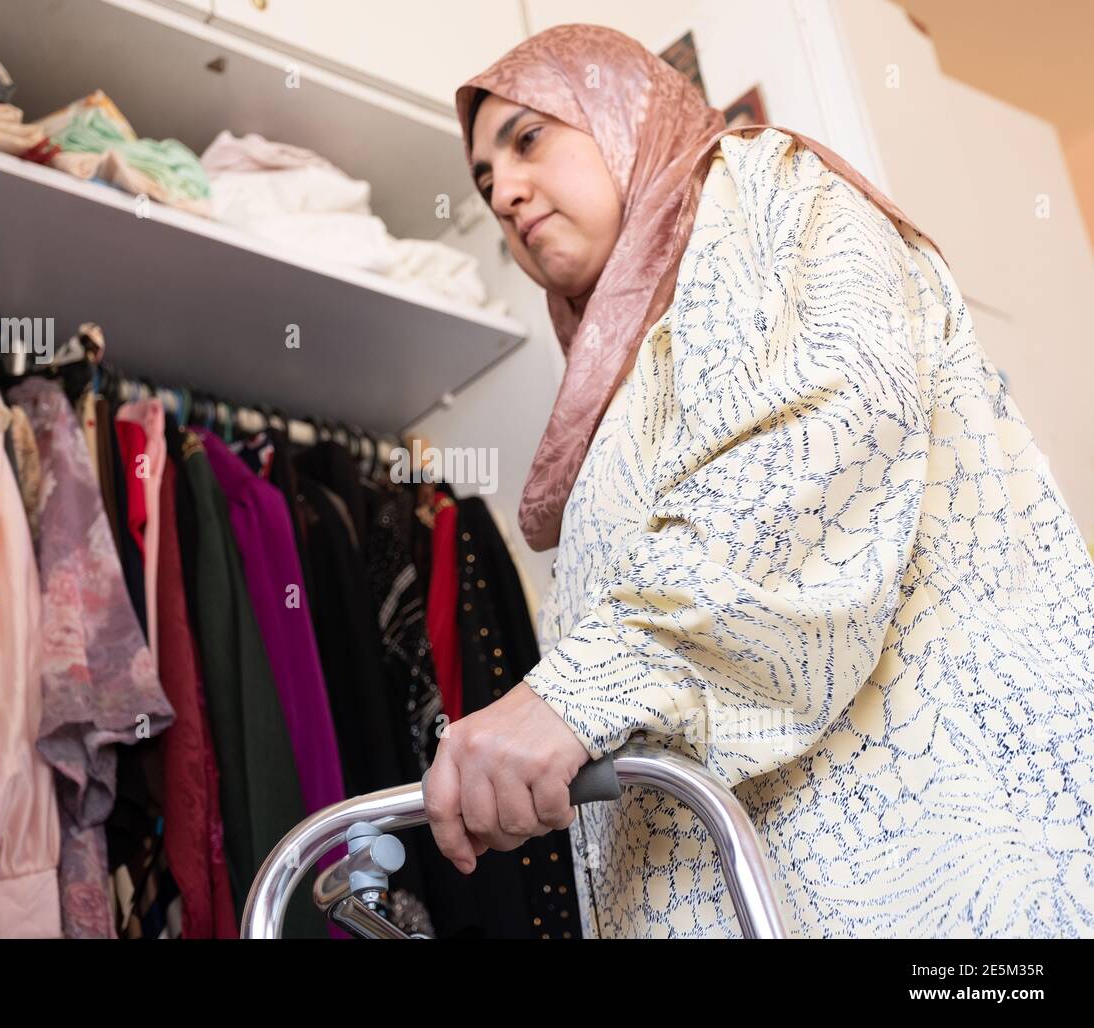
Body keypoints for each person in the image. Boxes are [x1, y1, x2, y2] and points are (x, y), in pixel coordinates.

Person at [422, 23, 1094, 938]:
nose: (502, 190)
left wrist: (574, 693)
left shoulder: (765, 188)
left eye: (528, 137)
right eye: (481, 179)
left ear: (625, 117)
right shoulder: (618, 388)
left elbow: (815, 445)